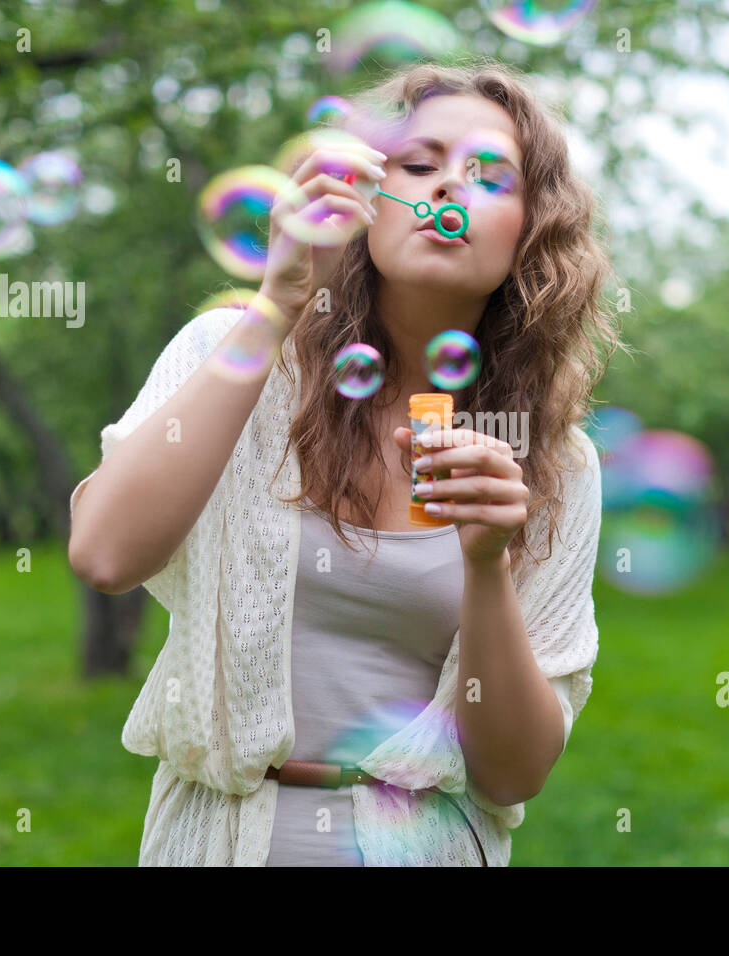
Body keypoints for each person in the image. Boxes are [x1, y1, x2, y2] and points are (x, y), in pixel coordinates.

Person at [67, 58, 626, 866]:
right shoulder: (236, 358)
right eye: (420, 164)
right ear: (366, 196)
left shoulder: (556, 462)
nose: (447, 190)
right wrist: (277, 304)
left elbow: (513, 771)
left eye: (488, 176)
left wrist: (487, 565)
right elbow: (104, 553)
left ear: (533, 228)